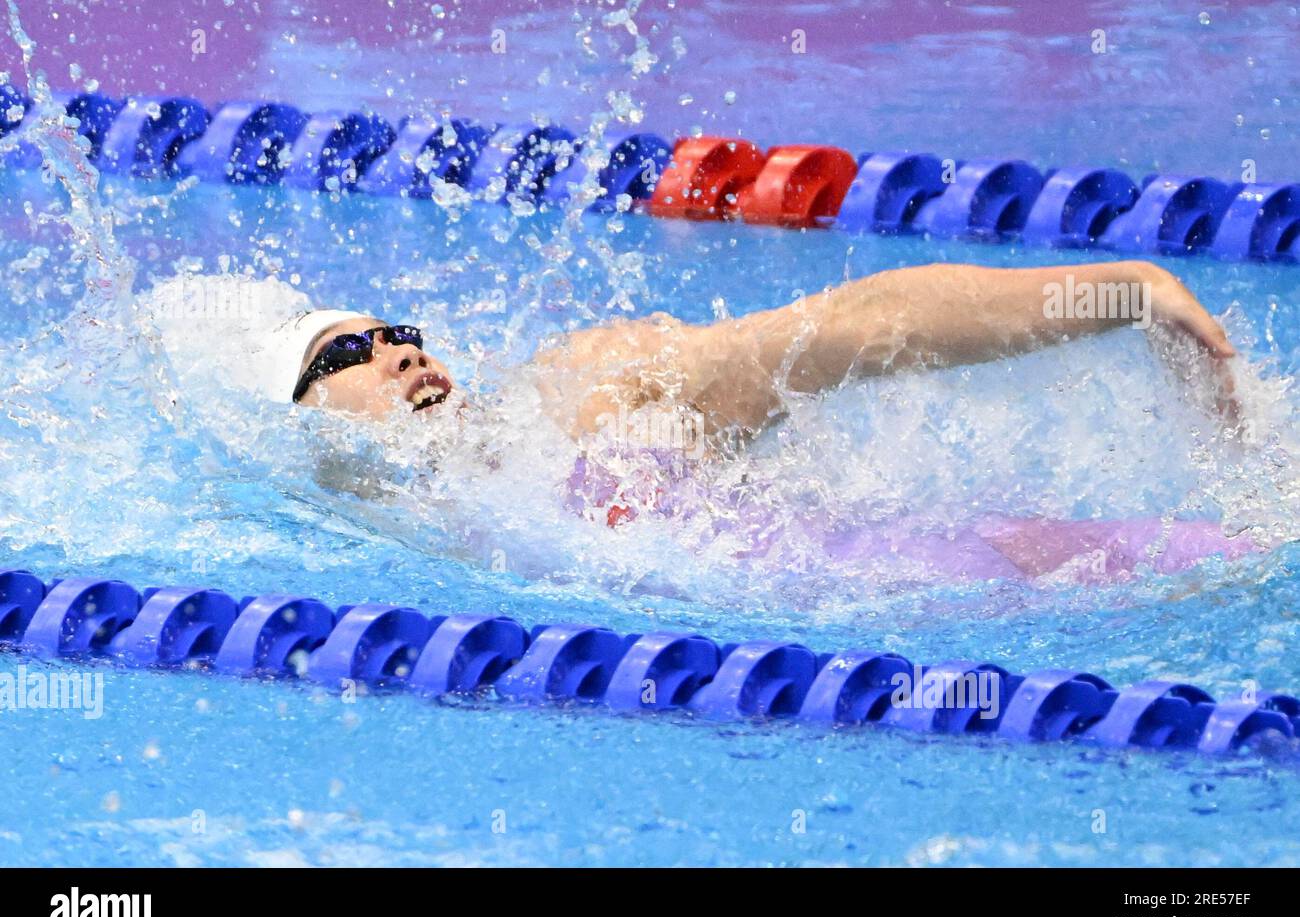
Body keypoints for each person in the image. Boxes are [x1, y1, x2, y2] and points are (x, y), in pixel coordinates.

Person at [272, 259, 1255, 582]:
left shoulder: (575, 388)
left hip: (1007, 568)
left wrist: (1117, 296)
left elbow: (831, 336)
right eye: (347, 352)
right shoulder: (349, 538)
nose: (396, 349)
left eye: (397, 330)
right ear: (302, 408)